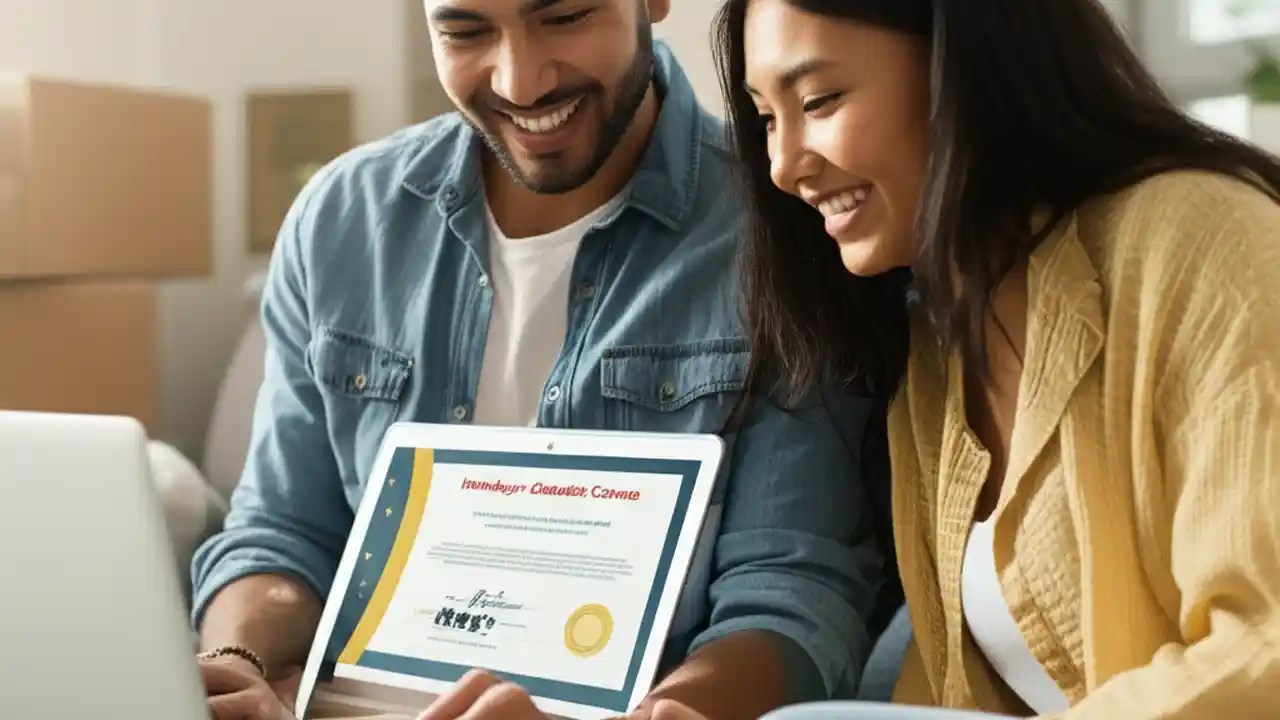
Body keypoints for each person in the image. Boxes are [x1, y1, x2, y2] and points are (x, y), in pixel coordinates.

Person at [191, 1, 896, 719]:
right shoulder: (341, 219)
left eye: (563, 16)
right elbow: (282, 532)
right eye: (465, 32)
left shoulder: (785, 227)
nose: (521, 82)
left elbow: (792, 595)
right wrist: (233, 664)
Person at [715, 0, 1280, 717]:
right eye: (766, 118)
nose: (784, 165)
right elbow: (951, 694)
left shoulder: (1208, 242)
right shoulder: (934, 352)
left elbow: (1265, 653)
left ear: (965, 69)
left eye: (819, 101)